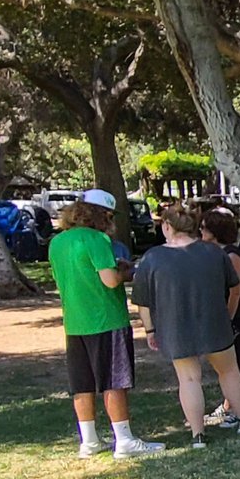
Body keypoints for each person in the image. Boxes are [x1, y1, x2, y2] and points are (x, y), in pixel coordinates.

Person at [134, 203, 240, 448]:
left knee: (189, 379)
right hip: (214, 321)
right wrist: (227, 315)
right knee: (229, 370)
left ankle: (198, 434)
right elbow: (232, 286)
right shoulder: (214, 252)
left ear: (167, 226)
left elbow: (143, 301)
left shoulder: (152, 258)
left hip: (175, 327)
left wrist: (150, 329)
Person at [49, 189, 163, 459]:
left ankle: (88, 440)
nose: (111, 220)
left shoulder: (58, 242)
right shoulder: (98, 239)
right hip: (106, 318)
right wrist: (125, 271)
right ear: (99, 215)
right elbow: (110, 280)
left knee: (83, 383)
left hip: (75, 321)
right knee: (114, 380)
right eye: (109, 215)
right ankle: (124, 439)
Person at [199, 205, 240, 401]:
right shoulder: (211, 252)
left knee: (237, 360)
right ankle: (229, 403)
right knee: (223, 362)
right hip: (218, 312)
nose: (200, 231)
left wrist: (229, 318)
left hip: (234, 313)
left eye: (204, 227)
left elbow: (236, 291)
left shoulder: (232, 254)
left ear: (215, 231)